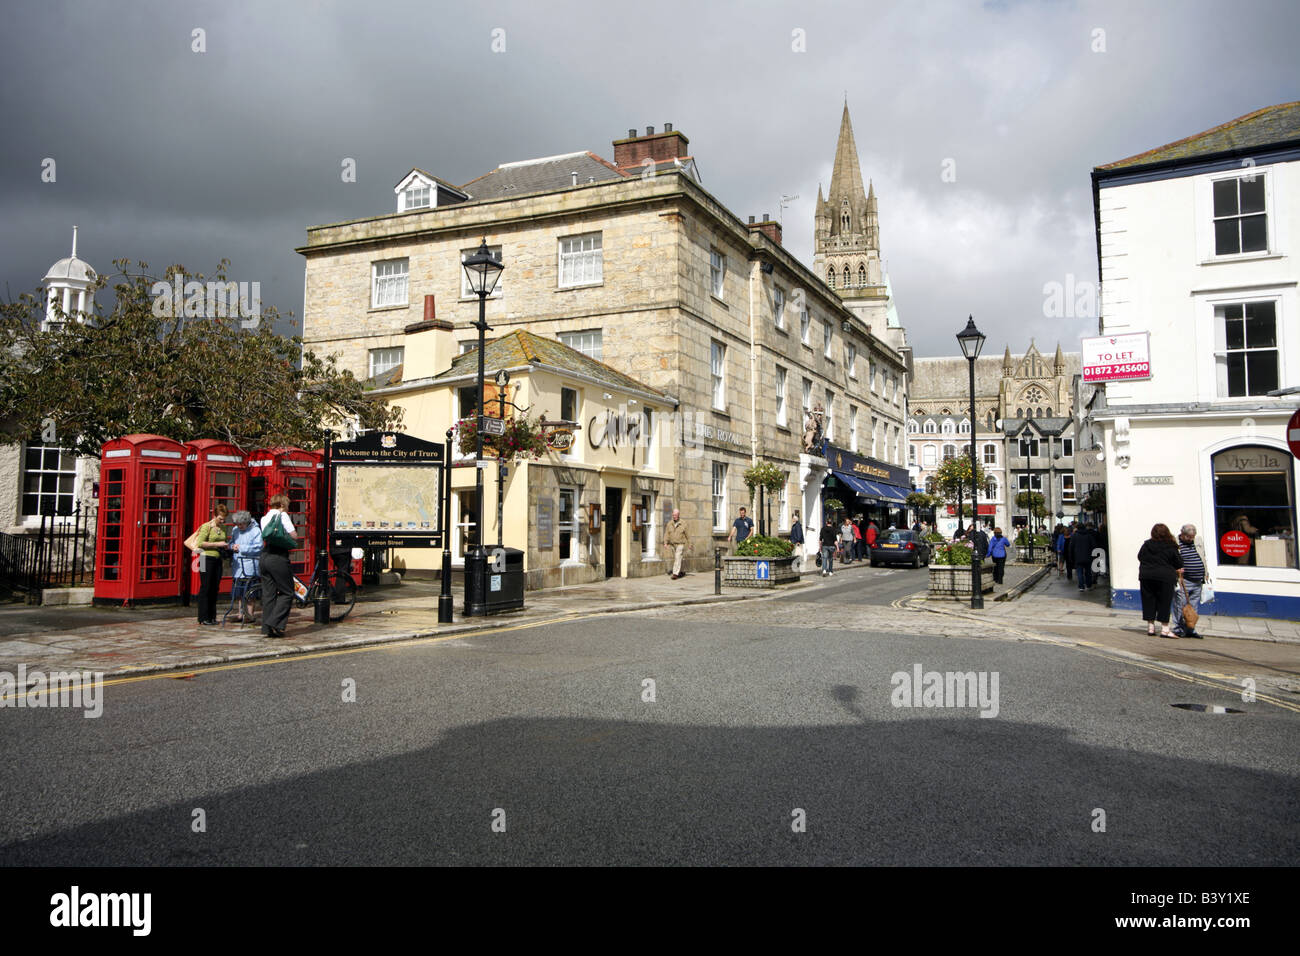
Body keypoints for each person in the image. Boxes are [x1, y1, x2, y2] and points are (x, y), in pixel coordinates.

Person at [259, 494, 298, 639]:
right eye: (287, 505)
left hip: (264, 557)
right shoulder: (282, 516)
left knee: (269, 595)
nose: (287, 508)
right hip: (278, 557)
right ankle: (274, 623)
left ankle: (266, 629)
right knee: (287, 592)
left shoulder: (265, 517)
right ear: (282, 505)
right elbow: (293, 536)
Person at [1137, 523, 1183, 638]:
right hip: (1165, 577)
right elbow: (1179, 563)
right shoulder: (1171, 546)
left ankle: (1151, 628)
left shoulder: (1146, 545)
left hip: (1146, 576)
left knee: (1148, 600)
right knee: (1164, 602)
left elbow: (1140, 557)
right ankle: (1165, 629)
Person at [193, 503, 230, 625]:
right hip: (204, 558)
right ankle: (203, 617)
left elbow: (224, 542)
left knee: (215, 587)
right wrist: (218, 544)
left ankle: (212, 616)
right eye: (220, 518)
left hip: (217, 559)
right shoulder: (206, 527)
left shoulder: (223, 528)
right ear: (214, 515)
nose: (222, 520)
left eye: (224, 518)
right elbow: (200, 543)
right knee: (206, 587)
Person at [1171, 523, 1208, 638]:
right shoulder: (1175, 543)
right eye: (1189, 537)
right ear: (1182, 534)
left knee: (1193, 607)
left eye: (1193, 536)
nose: (1191, 539)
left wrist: (1205, 572)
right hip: (1184, 580)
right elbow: (1171, 559)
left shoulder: (1198, 541)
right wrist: (1176, 571)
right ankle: (1178, 629)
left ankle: (1190, 629)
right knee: (1180, 606)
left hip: (1198, 580)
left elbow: (1203, 557)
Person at [228, 509, 263, 622]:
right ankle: (240, 613)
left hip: (250, 565)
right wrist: (231, 546)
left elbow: (259, 547)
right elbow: (231, 543)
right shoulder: (235, 530)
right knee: (239, 592)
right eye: (237, 524)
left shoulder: (256, 530)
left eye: (241, 524)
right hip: (238, 566)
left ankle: (250, 614)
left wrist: (242, 548)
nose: (239, 526)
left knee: (250, 592)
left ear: (247, 522)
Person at [664, 509, 690, 580]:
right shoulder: (669, 524)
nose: (674, 516)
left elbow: (688, 534)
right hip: (672, 544)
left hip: (680, 544)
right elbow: (666, 534)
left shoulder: (683, 523)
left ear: (679, 515)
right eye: (673, 515)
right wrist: (665, 542)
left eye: (676, 515)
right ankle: (681, 571)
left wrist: (690, 543)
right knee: (677, 558)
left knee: (677, 557)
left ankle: (675, 573)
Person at [1070, 522, 1096, 591]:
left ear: (1077, 528)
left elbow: (1071, 547)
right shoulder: (1089, 535)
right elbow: (1093, 545)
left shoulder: (1074, 536)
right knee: (1088, 572)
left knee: (1079, 572)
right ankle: (1089, 585)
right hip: (1088, 556)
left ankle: (1081, 587)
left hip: (1078, 557)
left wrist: (1071, 557)